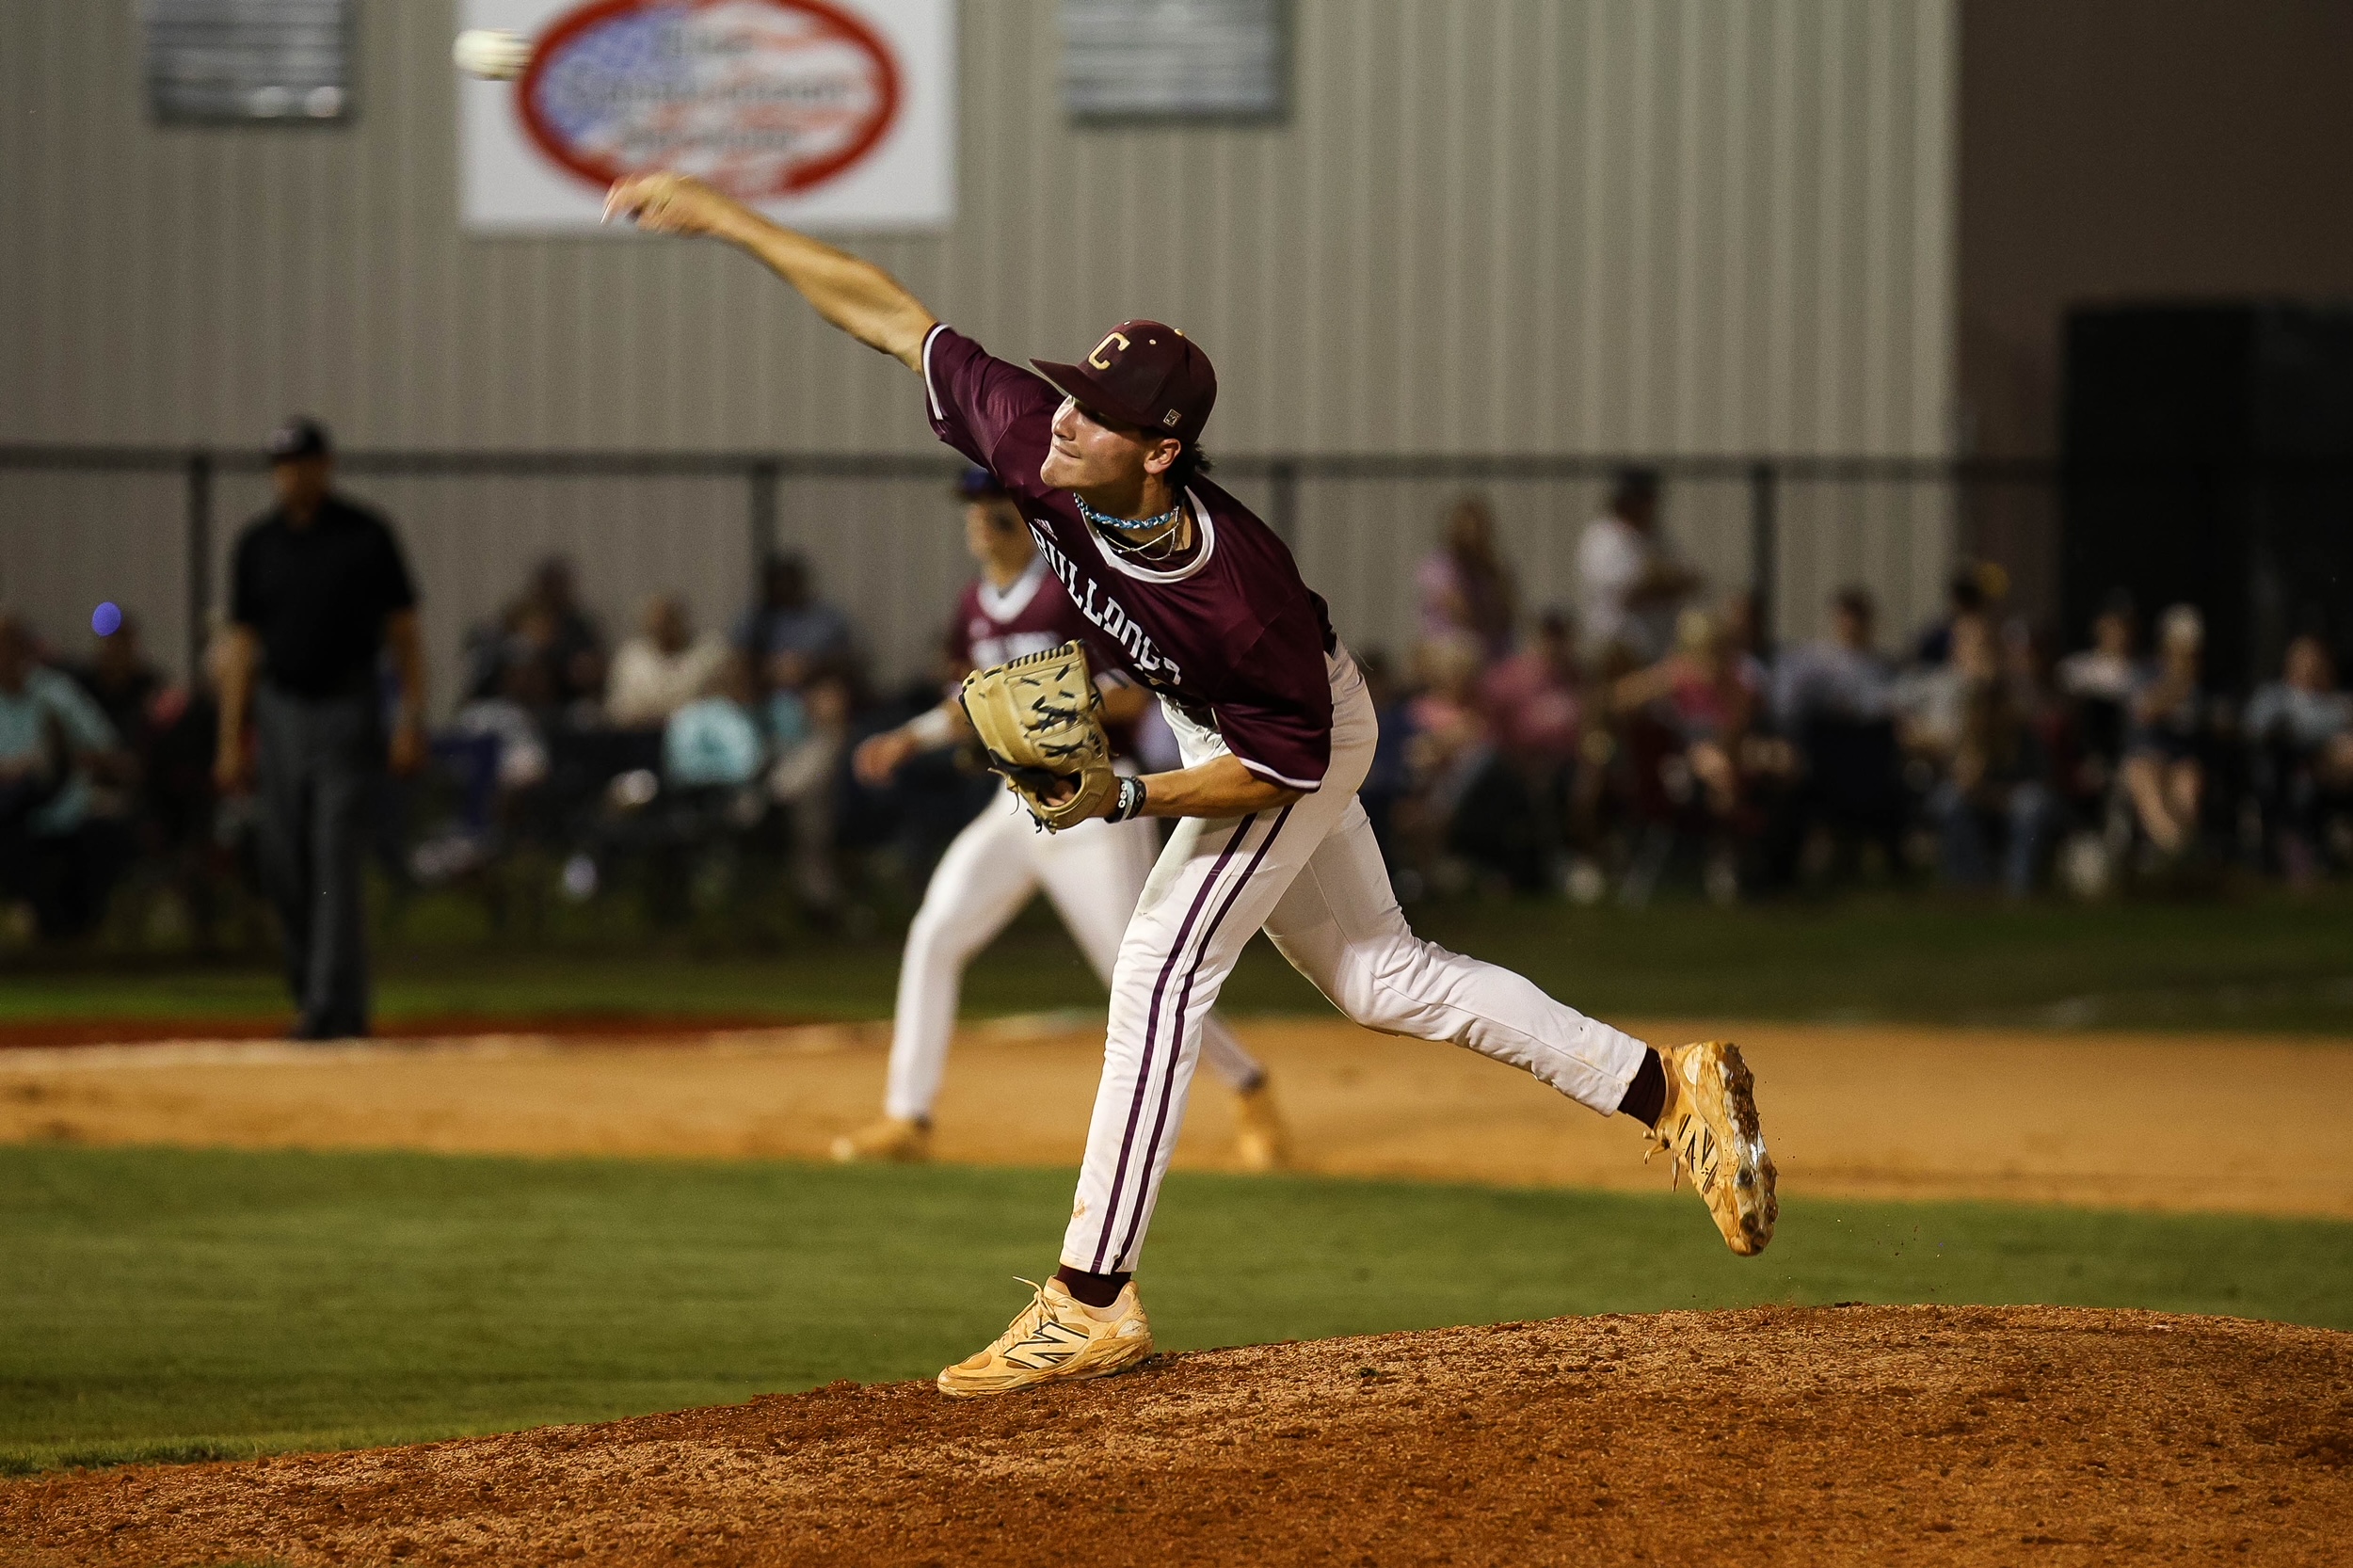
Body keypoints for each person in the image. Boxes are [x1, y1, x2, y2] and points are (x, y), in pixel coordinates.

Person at [601, 170, 1774, 1400]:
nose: (1064, 420)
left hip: (1286, 734)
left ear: (1160, 452)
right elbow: (893, 319)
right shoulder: (1040, 444)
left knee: (1158, 966)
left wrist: (1126, 800)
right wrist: (724, 218)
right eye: (1072, 393)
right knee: (1378, 976)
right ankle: (1667, 1086)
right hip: (1231, 725)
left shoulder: (1236, 595)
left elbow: (1274, 769)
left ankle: (1089, 1298)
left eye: (1099, 414)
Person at [841, 469, 1287, 1170]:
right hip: (1017, 803)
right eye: (972, 507)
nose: (975, 519)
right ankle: (908, 1117)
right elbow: (970, 703)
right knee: (935, 934)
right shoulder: (975, 604)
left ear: (1020, 516)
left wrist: (1046, 709)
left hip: (1096, 804)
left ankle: (1248, 1084)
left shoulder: (1069, 589)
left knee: (1131, 972)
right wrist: (910, 738)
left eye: (988, 505)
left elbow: (1139, 689)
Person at [216, 418, 426, 1038]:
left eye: (302, 463)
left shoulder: (365, 535)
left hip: (347, 707)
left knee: (334, 855)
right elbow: (242, 645)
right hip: (280, 709)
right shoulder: (257, 544)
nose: (291, 476)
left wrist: (410, 717)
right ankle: (316, 992)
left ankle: (330, 1006)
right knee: (284, 860)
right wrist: (232, 736)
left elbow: (405, 636)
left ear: (325, 465)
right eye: (282, 465)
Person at [0, 614, 128, 940]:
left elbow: (109, 753)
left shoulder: (55, 693)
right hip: (11, 812)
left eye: (11, 645)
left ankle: (79, 927)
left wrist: (68, 756)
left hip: (63, 807)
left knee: (106, 830)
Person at [1577, 466, 1699, 665]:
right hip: (1618, 650)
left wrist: (1663, 580)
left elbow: (1690, 579)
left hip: (1658, 649)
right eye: (1641, 498)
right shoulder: (1603, 538)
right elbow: (1631, 592)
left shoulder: (1657, 536)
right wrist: (1664, 581)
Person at [2121, 604, 2209, 858]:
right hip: (2142, 759)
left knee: (2189, 782)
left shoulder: (2204, 685)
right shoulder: (2144, 673)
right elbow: (2144, 710)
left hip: (2181, 760)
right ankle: (2177, 852)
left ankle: (2176, 854)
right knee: (2148, 776)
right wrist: (2179, 685)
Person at [737, 552, 855, 696]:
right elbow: (735, 659)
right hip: (764, 696)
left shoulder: (827, 620)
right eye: (778, 583)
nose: (783, 588)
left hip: (814, 695)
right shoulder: (755, 620)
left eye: (789, 582)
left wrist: (808, 666)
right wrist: (769, 669)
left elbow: (848, 661)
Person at [1416, 495, 1516, 662]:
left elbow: (1506, 612)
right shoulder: (1440, 566)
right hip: (1451, 648)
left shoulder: (1493, 570)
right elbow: (1461, 611)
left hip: (1493, 649)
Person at [605, 595, 728, 728]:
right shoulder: (632, 659)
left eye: (669, 621)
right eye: (658, 623)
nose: (664, 628)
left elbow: (718, 707)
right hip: (639, 734)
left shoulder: (708, 655)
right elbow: (621, 710)